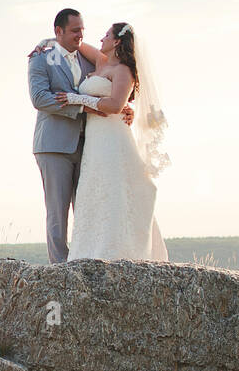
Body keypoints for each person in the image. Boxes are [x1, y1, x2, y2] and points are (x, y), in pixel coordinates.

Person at [29, 20, 169, 262]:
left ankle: (115, 249)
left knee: (110, 191)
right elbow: (74, 47)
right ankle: (66, 263)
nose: (98, 37)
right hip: (83, 140)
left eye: (106, 35)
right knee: (75, 202)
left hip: (107, 138)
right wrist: (46, 42)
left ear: (116, 41)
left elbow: (114, 103)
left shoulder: (122, 69)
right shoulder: (100, 61)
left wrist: (78, 100)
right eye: (76, 30)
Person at [26, 8, 133, 263]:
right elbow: (40, 98)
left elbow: (110, 88)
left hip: (89, 144)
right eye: (74, 31)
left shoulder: (89, 59)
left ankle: (86, 261)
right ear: (58, 31)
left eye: (82, 30)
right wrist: (81, 105)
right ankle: (60, 270)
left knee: (87, 209)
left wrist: (125, 109)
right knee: (57, 213)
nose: (80, 36)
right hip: (54, 144)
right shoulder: (41, 58)